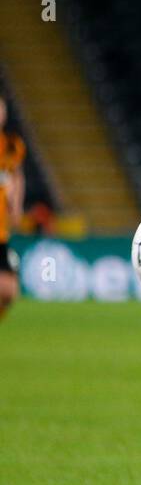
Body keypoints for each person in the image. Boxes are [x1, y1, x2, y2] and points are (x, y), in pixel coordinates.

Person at [0, 97, 26, 322]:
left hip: (1, 231)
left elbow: (16, 175)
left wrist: (16, 204)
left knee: (9, 292)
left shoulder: (11, 145)